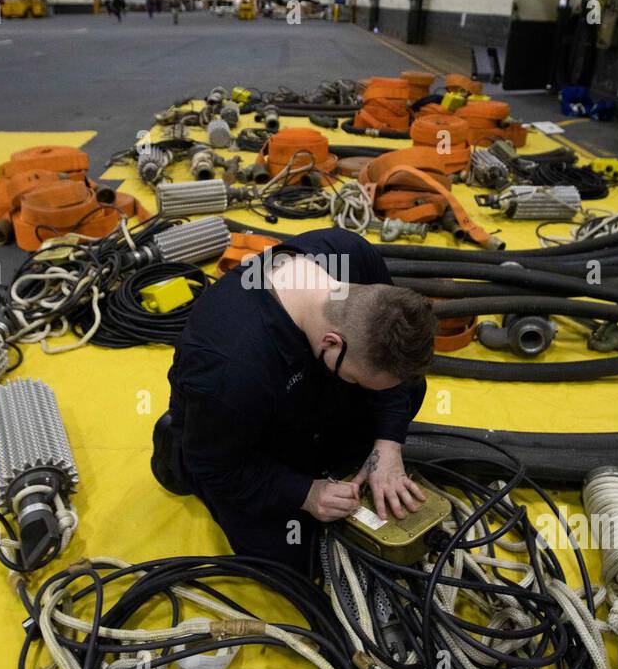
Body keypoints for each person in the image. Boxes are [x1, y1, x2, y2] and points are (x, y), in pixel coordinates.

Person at [151, 227, 435, 565]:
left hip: (298, 388)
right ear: (332, 342)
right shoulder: (230, 366)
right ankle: (175, 449)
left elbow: (391, 368)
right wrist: (306, 494)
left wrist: (387, 445)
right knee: (296, 553)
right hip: (233, 434)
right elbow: (216, 466)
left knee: (409, 388)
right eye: (357, 380)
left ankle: (337, 446)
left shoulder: (351, 255)